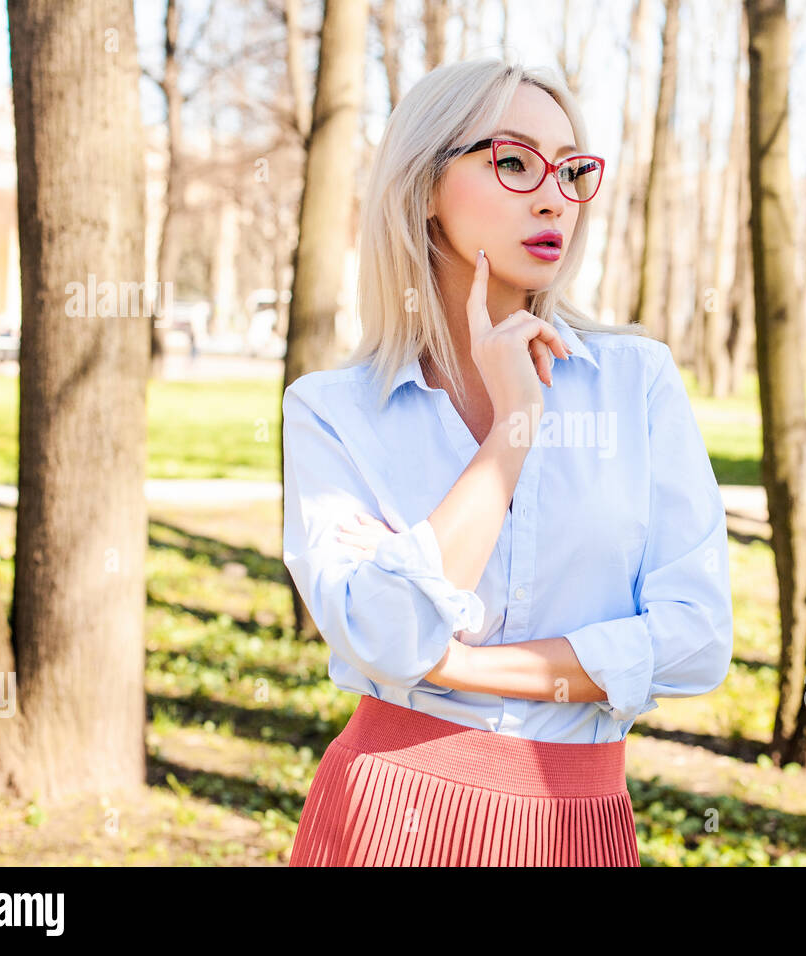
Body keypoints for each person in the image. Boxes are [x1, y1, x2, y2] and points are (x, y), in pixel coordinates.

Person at [282, 57, 733, 867]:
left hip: (574, 822)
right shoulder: (333, 411)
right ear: (424, 188)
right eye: (514, 161)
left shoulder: (638, 382)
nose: (554, 194)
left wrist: (463, 666)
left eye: (571, 170)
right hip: (390, 810)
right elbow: (388, 635)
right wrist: (513, 428)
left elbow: (696, 640)